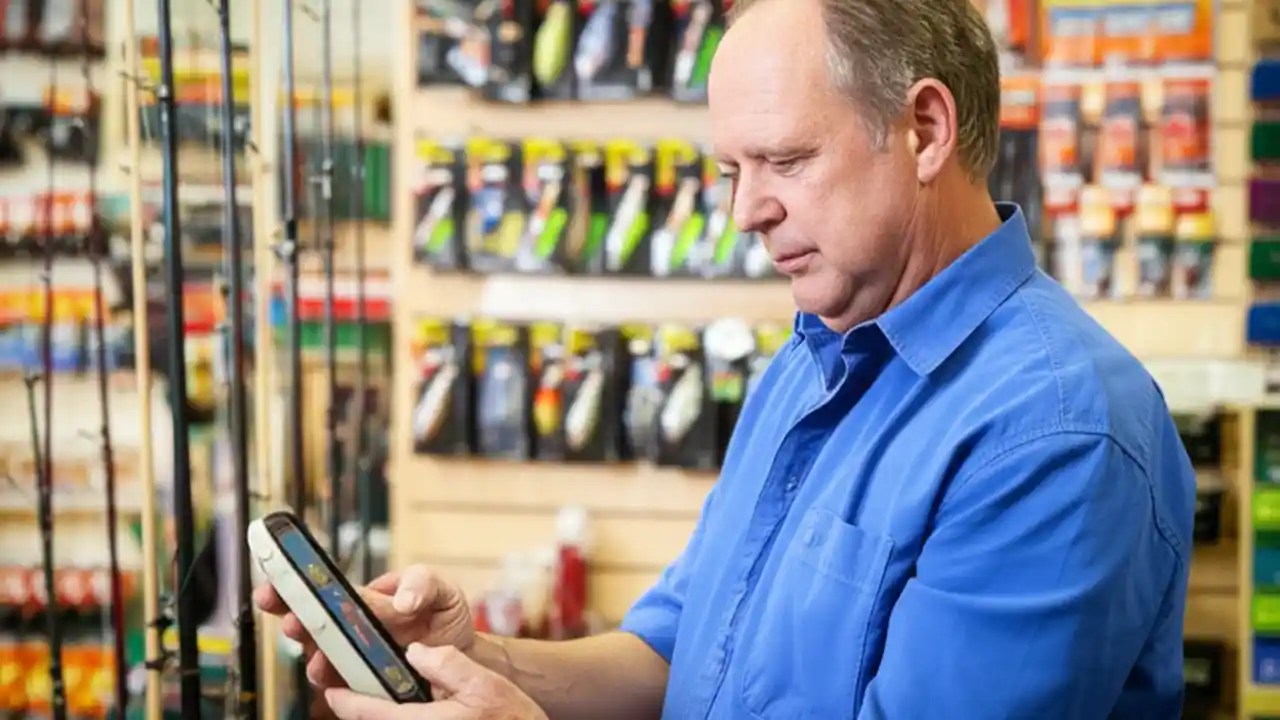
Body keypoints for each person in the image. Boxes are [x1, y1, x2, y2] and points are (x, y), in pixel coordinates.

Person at [256, 0, 1197, 715]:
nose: (746, 212)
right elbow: (676, 651)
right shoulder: (809, 360)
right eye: (730, 172)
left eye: (783, 161)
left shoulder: (1054, 434)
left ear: (925, 130)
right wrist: (475, 659)